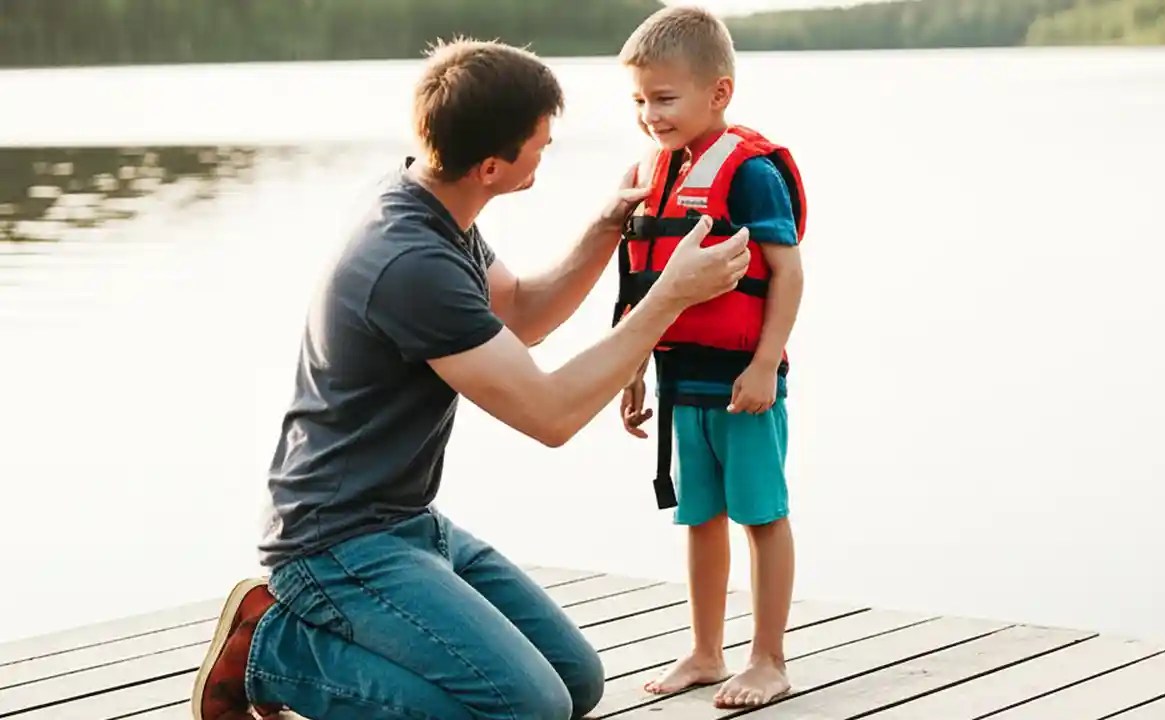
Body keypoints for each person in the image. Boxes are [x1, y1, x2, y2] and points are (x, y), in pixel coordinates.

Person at [189, 38, 753, 720]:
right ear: (491, 165)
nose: (548, 149)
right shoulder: (411, 264)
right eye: (541, 142)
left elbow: (522, 314)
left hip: (405, 522)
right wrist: (668, 299)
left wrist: (608, 228)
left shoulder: (431, 201)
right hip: (334, 543)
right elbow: (551, 415)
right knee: (526, 709)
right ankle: (273, 653)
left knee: (574, 682)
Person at [612, 5, 807, 710]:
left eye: (664, 99)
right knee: (699, 516)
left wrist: (764, 364)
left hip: (742, 381)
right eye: (638, 100)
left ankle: (769, 659)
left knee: (761, 513)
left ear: (718, 93)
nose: (649, 116)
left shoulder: (750, 174)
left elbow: (787, 273)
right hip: (679, 380)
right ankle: (705, 651)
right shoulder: (652, 170)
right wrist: (630, 369)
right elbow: (642, 282)